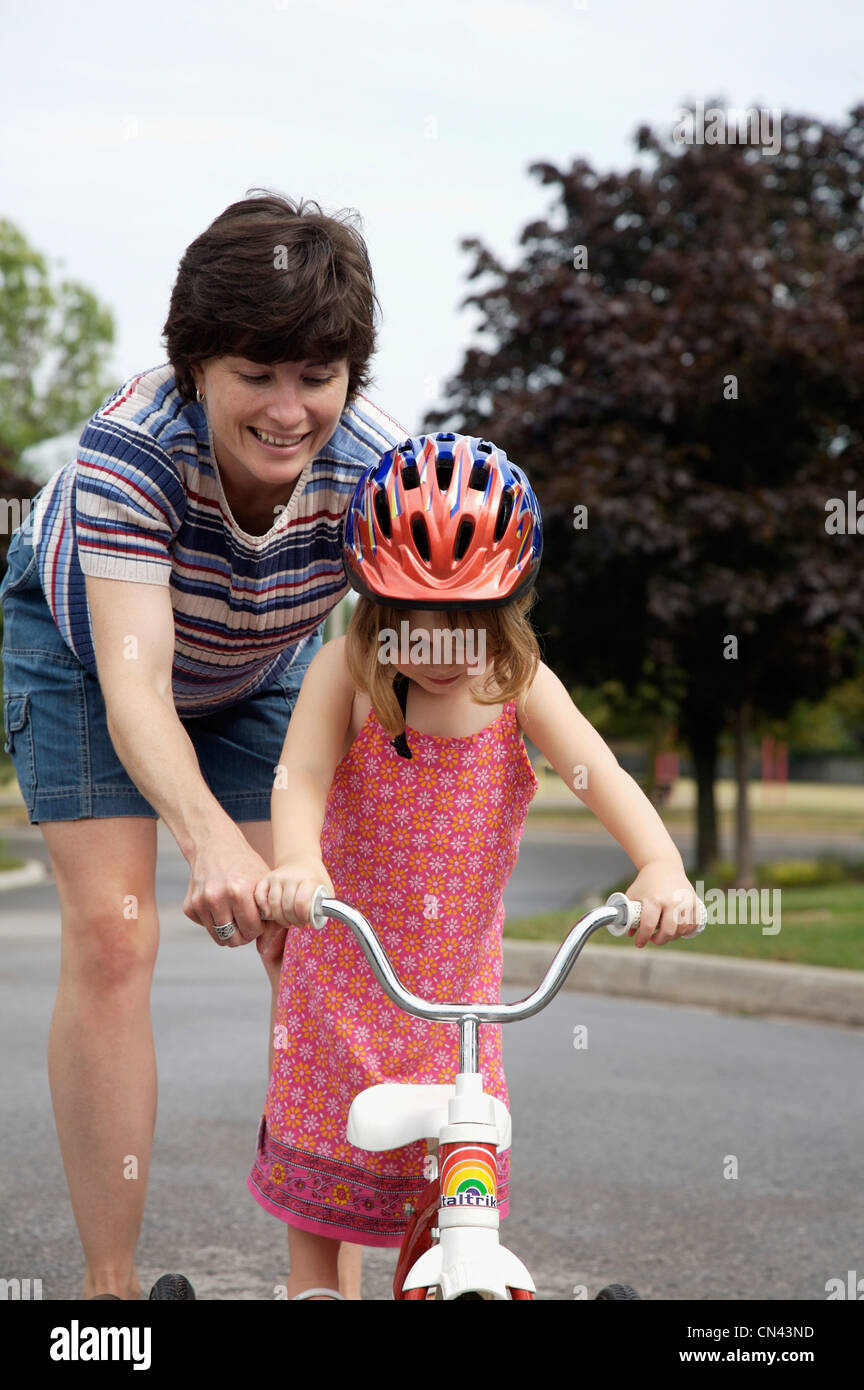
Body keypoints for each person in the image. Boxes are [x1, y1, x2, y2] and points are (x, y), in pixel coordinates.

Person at [0, 190, 407, 1301]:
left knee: (314, 939)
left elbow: (422, 664)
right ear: (195, 367)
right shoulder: (130, 453)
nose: (289, 410)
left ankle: (321, 1283)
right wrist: (212, 841)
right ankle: (109, 1290)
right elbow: (138, 689)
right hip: (89, 656)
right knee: (116, 933)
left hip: (261, 665)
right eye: (257, 374)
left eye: (316, 377)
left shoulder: (376, 474)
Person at [247, 432, 703, 1300]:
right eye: (417, 628)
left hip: (458, 998)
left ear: (504, 612)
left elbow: (597, 772)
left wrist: (659, 865)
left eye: (467, 625)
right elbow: (301, 774)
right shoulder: (347, 670)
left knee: (461, 1193)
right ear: (377, 609)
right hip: (344, 979)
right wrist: (296, 860)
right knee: (322, 1207)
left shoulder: (521, 682)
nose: (445, 652)